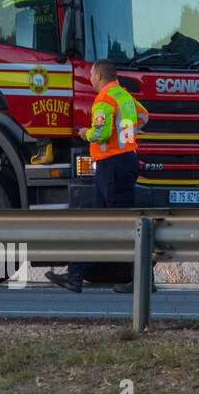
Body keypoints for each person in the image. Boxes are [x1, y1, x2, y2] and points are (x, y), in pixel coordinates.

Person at [47, 59, 148, 293]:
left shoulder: (103, 99)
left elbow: (100, 134)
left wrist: (85, 133)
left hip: (113, 165)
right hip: (122, 162)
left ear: (100, 76)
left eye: (92, 76)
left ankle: (144, 280)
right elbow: (144, 118)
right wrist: (127, 134)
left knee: (126, 225)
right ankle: (75, 275)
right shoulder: (124, 95)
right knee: (98, 223)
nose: (90, 79)